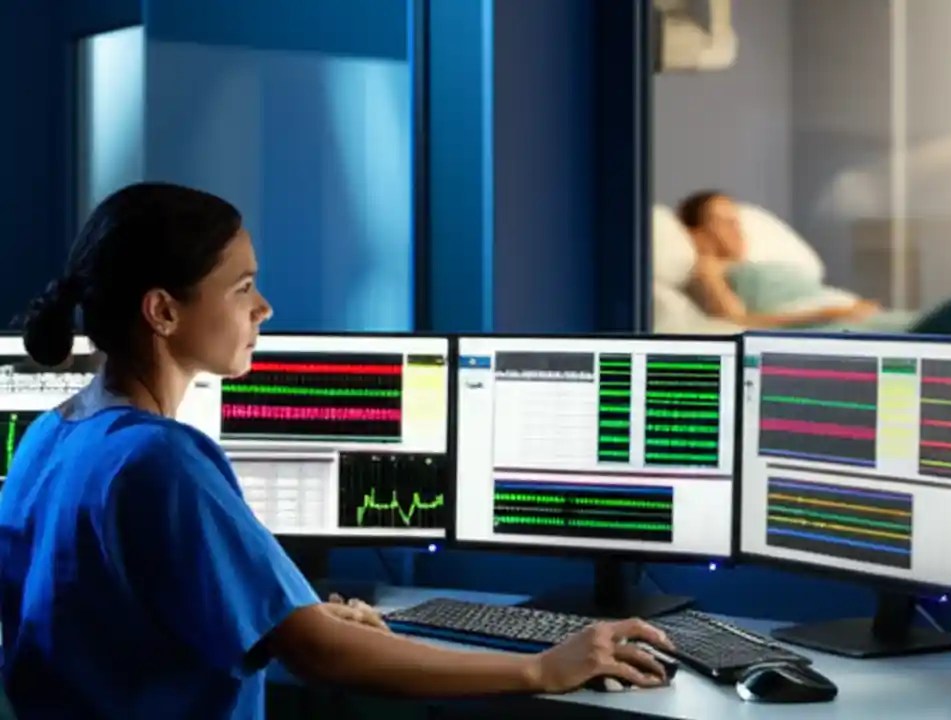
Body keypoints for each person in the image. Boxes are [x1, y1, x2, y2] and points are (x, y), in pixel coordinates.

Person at [0, 182, 674, 719]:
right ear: (163, 312)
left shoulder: (48, 439)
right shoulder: (161, 461)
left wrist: (296, 614)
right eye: (241, 288)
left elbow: (117, 621)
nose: (263, 308)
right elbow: (320, 656)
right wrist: (539, 668)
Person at [678, 190, 884, 329]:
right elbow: (740, 322)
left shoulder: (746, 263)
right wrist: (829, 313)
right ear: (699, 232)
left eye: (736, 222)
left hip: (850, 313)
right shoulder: (708, 269)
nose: (737, 230)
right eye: (725, 222)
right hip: (830, 323)